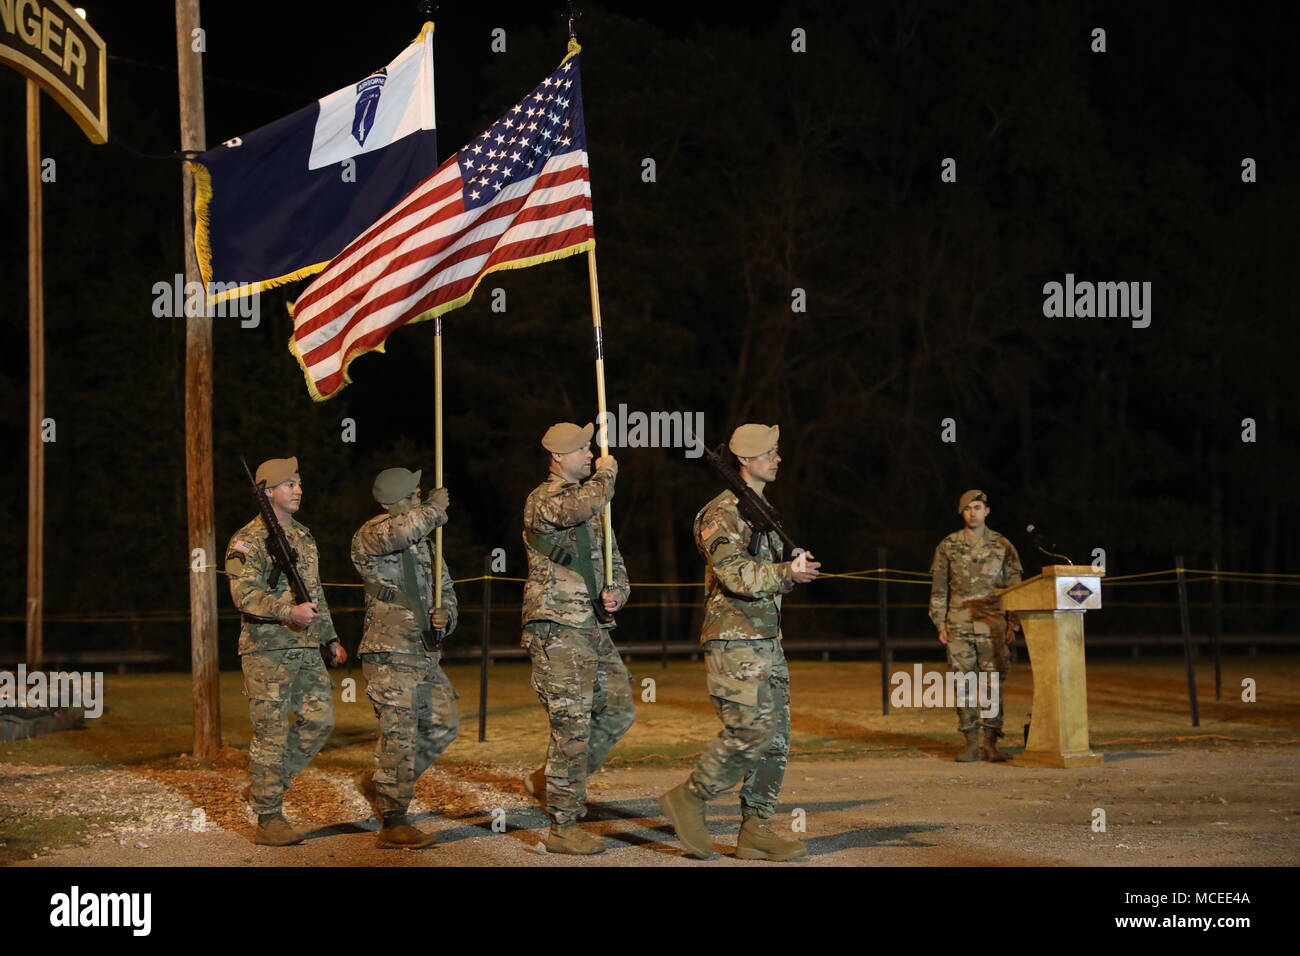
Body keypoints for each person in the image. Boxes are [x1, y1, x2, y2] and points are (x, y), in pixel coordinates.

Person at [659, 423, 820, 861]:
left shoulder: (759, 510)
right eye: (770, 451)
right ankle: (690, 797)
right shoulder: (721, 513)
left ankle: (756, 829)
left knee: (777, 738)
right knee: (751, 731)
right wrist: (788, 573)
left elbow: (761, 576)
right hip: (732, 641)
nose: (778, 457)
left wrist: (790, 569)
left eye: (778, 450)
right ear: (745, 461)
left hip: (766, 639)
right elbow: (734, 575)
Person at [520, 422, 634, 855]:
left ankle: (553, 781)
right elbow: (577, 507)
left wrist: (616, 595)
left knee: (620, 708)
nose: (591, 454)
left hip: (592, 626)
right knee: (572, 726)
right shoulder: (544, 500)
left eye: (591, 449)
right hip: (557, 627)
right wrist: (608, 474)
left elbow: (616, 565)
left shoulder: (595, 506)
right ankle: (564, 825)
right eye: (584, 449)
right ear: (557, 456)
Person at [225, 456, 344, 846]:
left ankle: (267, 785)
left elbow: (315, 594)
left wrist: (329, 638)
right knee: (270, 733)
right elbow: (242, 594)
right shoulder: (247, 539)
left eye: (299, 482)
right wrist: (286, 611)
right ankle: (268, 816)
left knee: (320, 720)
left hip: (307, 646)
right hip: (267, 649)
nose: (298, 489)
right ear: (268, 492)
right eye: (289, 483)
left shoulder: (304, 536)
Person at [350, 467, 457, 848]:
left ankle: (383, 784)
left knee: (444, 724)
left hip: (425, 650)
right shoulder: (373, 533)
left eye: (421, 494)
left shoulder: (427, 543)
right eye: (414, 495)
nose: (420, 498)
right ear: (393, 501)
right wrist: (433, 509)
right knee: (400, 737)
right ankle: (393, 822)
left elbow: (446, 590)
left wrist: (446, 617)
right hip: (390, 650)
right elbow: (401, 530)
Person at [928, 489, 1023, 762]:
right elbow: (939, 588)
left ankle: (992, 743)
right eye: (968, 508)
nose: (973, 512)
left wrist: (1012, 624)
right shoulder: (949, 545)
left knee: (992, 684)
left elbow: (1015, 589)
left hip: (993, 625)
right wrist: (939, 622)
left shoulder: (1003, 545)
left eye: (978, 507)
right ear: (962, 513)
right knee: (964, 683)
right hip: (958, 624)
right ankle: (970, 743)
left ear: (987, 511)